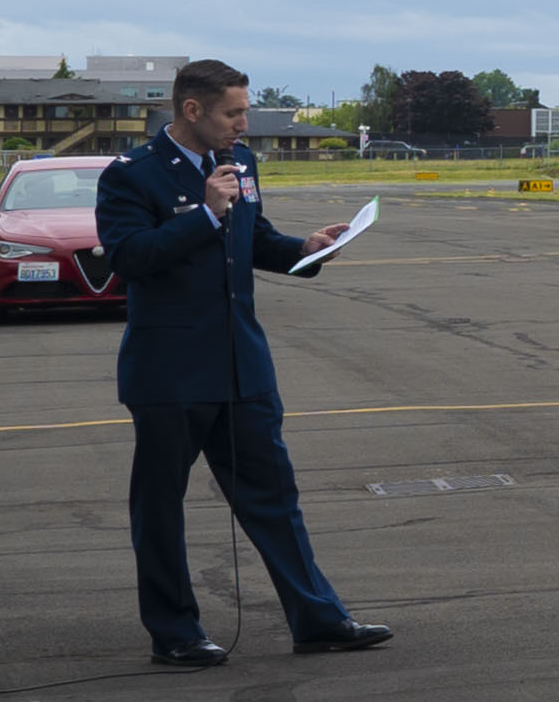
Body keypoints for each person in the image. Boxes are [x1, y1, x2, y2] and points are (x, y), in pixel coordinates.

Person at [98, 58, 393, 664]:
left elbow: (255, 241)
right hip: (170, 372)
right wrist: (205, 215)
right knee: (159, 509)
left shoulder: (242, 166)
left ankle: (317, 620)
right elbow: (128, 259)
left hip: (242, 366)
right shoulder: (132, 176)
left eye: (245, 112)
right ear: (192, 110)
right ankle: (175, 634)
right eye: (233, 113)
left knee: (275, 499)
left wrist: (308, 251)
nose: (243, 125)